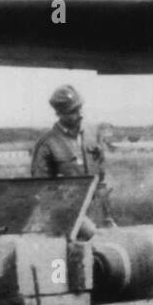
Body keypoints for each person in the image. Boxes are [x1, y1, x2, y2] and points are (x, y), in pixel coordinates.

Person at [31, 84, 113, 220]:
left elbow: (101, 180)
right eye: (73, 111)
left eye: (80, 108)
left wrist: (107, 215)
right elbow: (41, 189)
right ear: (59, 114)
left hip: (96, 215)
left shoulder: (92, 136)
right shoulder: (47, 144)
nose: (80, 114)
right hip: (66, 219)